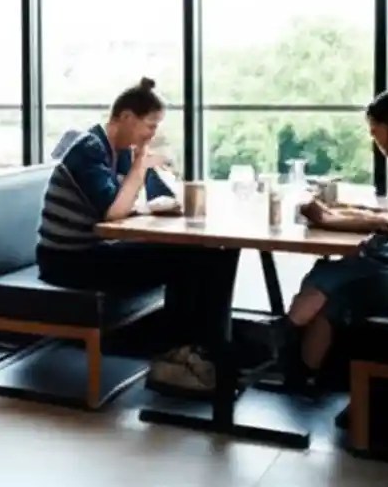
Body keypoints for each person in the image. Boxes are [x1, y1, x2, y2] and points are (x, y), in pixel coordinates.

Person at [36, 77, 239, 393]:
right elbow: (114, 212)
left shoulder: (121, 151)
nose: (152, 135)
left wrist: (158, 180)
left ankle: (197, 356)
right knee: (191, 258)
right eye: (150, 125)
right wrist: (141, 169)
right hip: (66, 259)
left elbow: (149, 196)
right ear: (126, 117)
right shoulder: (88, 149)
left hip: (94, 251)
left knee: (211, 252)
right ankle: (182, 359)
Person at [283, 85, 388, 383]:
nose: (373, 139)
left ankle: (286, 332)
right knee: (337, 290)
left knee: (341, 273)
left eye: (375, 129)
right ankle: (304, 377)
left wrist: (335, 221)